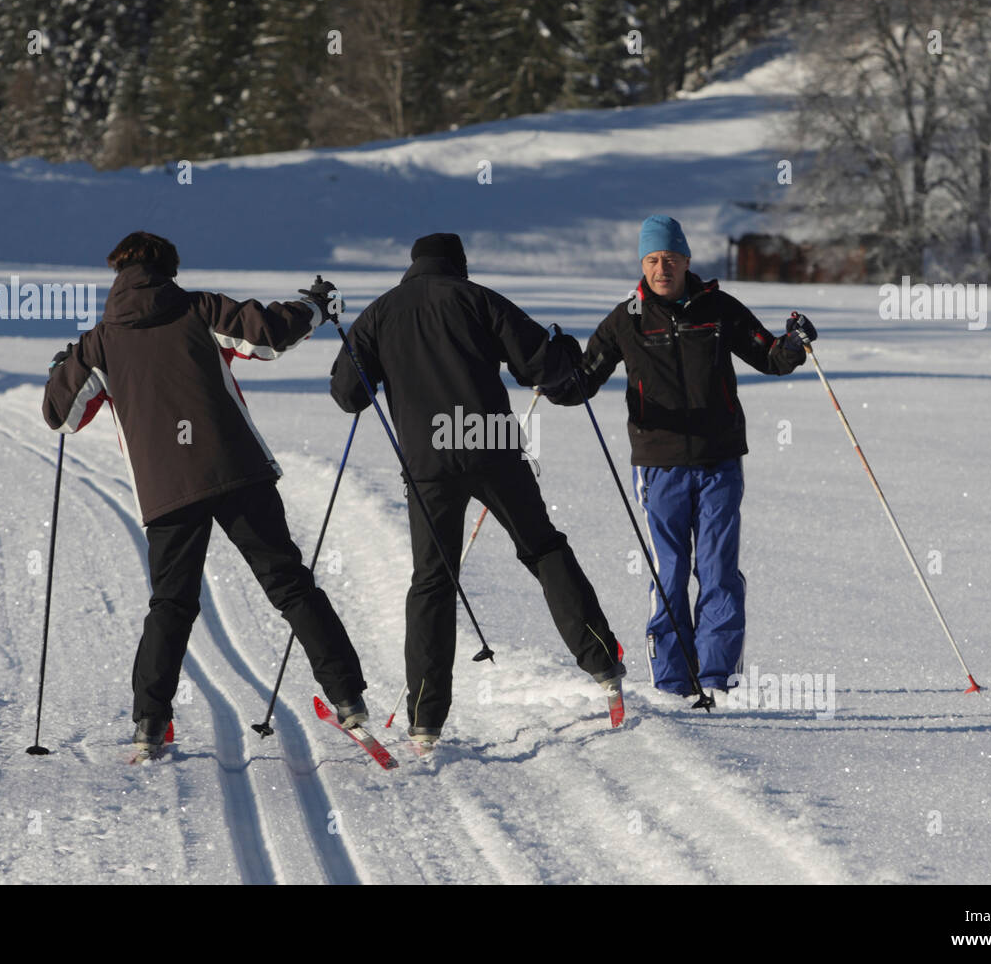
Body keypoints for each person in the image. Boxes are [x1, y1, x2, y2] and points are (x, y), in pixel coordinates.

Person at [43, 231, 370, 757]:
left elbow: (62, 416)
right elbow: (268, 334)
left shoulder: (100, 341)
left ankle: (150, 724)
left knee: (171, 605)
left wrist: (64, 370)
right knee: (289, 585)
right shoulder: (199, 308)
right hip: (236, 471)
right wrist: (316, 306)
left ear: (117, 274)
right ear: (170, 269)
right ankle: (349, 699)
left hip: (168, 491)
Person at [329, 232, 625, 751]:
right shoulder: (478, 298)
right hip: (490, 444)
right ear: (459, 264)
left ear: (413, 265)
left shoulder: (380, 313)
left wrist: (361, 356)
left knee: (433, 582)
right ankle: (603, 666)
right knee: (542, 548)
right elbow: (540, 366)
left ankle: (425, 721)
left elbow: (349, 394)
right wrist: (562, 349)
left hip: (427, 461)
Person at [547, 215, 816, 706]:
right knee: (669, 571)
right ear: (642, 265)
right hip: (659, 463)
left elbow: (770, 356)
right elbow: (581, 382)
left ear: (687, 260)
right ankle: (673, 682)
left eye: (670, 258)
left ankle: (717, 679)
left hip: (719, 461)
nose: (661, 267)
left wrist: (794, 343)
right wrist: (550, 368)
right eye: (652, 259)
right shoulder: (625, 319)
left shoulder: (719, 308)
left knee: (718, 569)